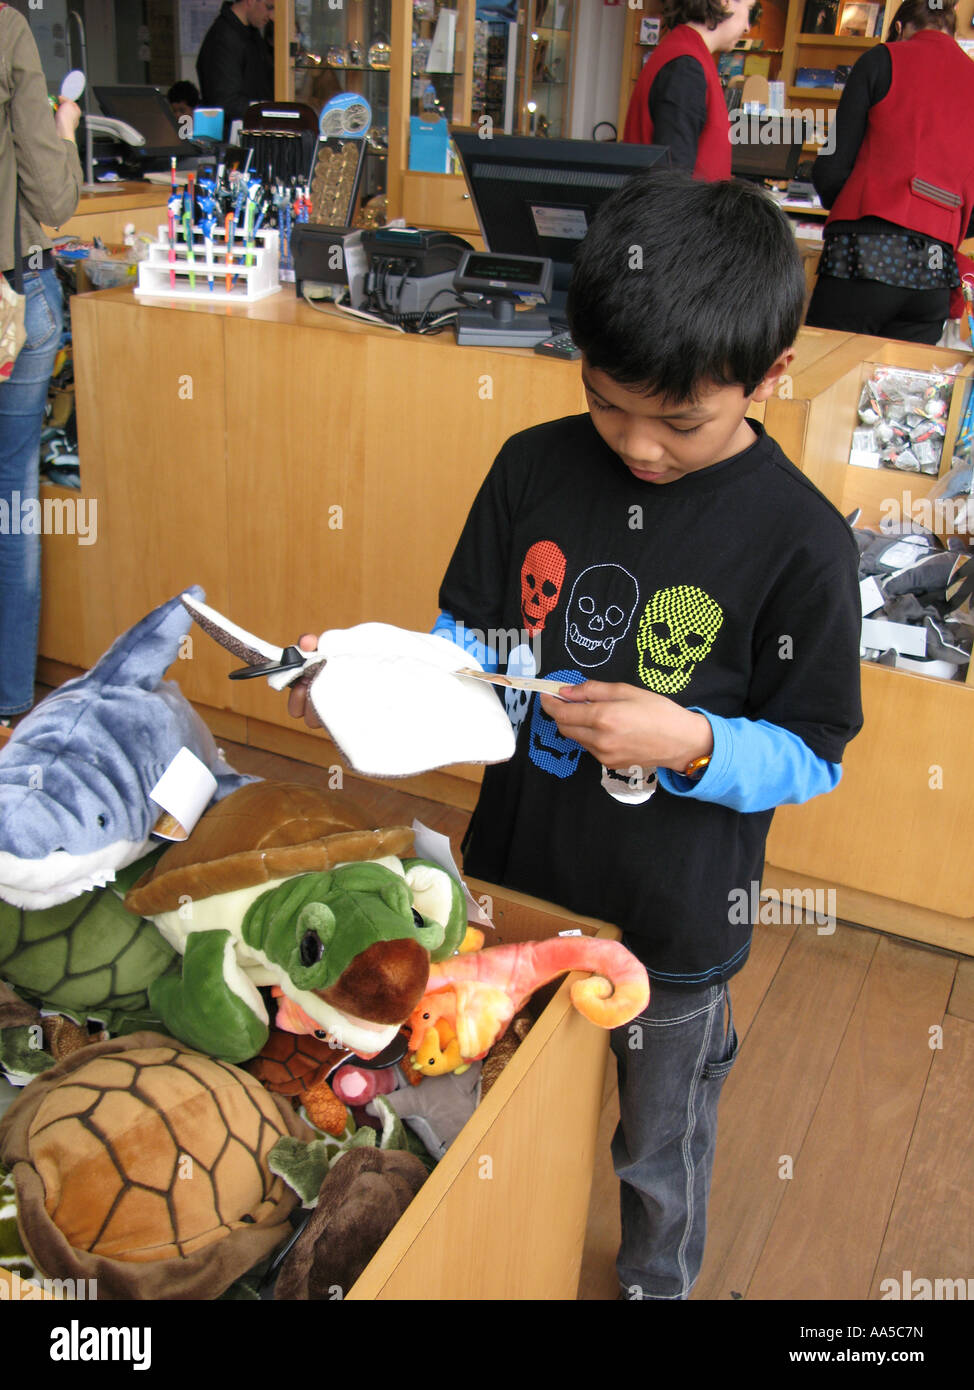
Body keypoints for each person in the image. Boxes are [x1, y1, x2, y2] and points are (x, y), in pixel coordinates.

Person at [290, 171, 864, 1298]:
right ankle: (471, 1251)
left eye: (681, 419)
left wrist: (689, 738)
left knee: (655, 1140)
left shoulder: (799, 544)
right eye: (608, 402)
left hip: (674, 922)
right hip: (516, 874)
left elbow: (810, 752)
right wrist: (369, 682)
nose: (638, 446)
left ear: (771, 376)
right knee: (475, 1078)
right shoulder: (532, 467)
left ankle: (657, 1283)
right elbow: (470, 646)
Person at [0, 2, 82, 723]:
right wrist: (64, 129)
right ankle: (6, 706)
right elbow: (56, 199)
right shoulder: (6, 30)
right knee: (14, 504)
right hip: (10, 302)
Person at [805, 0, 974, 344]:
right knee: (898, 392)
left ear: (898, 28)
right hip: (935, 267)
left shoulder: (882, 59)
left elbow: (831, 170)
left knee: (820, 379)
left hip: (866, 253)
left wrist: (858, 208)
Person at [622, 0, 754, 177]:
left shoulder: (685, 54)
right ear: (725, 2)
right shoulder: (686, 66)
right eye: (749, 9)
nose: (747, 27)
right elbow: (674, 178)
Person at [196, 0, 275, 137]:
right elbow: (225, 101)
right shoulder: (223, 38)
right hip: (233, 139)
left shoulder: (251, 34)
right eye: (268, 7)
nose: (272, 16)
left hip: (252, 133)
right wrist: (269, 110)